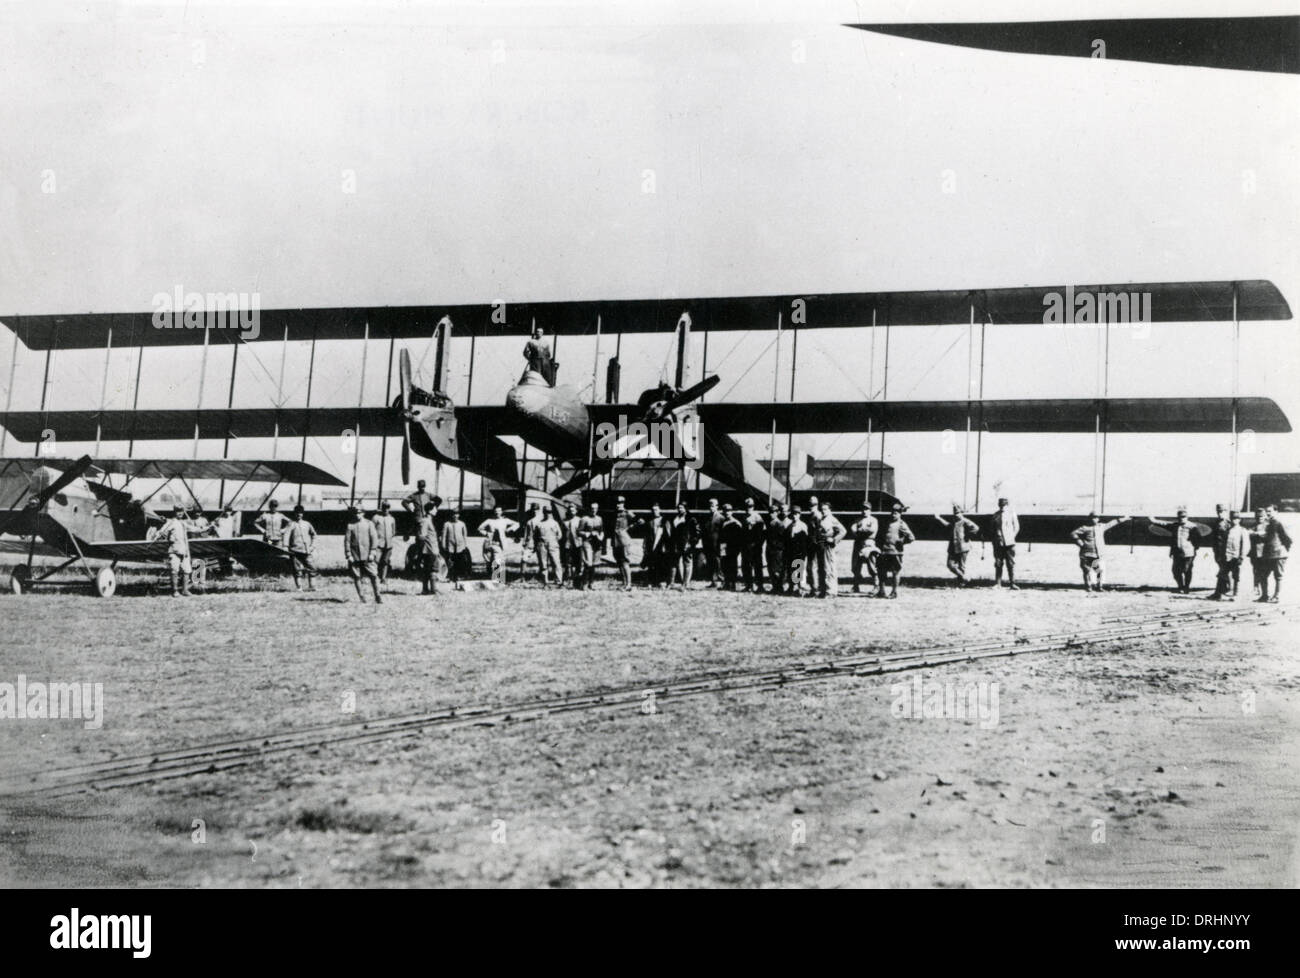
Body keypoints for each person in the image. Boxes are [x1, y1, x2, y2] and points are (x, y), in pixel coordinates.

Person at [1149, 508, 1209, 593]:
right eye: (1180, 517)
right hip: (1177, 552)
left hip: (1189, 553)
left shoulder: (1192, 527)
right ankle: (1180, 586)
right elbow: (1164, 524)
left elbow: (1199, 539)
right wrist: (1153, 520)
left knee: (1187, 570)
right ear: (1178, 518)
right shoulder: (1175, 526)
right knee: (1175, 571)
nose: (1182, 519)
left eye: (1184, 517)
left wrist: (1194, 548)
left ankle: (1186, 588)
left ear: (1187, 517)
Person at [1069, 512, 1131, 592]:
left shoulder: (1101, 526)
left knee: (1098, 570)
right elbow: (1073, 533)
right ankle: (1088, 587)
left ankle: (1099, 586)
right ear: (1090, 518)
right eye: (1093, 518)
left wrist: (1124, 518)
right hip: (1086, 553)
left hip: (1097, 554)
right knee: (1086, 571)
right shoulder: (1084, 528)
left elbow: (1112, 523)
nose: (1095, 519)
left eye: (1097, 518)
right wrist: (1079, 542)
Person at [148, 505, 193, 596]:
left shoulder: (184, 523)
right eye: (178, 511)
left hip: (184, 551)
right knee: (174, 570)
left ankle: (185, 590)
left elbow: (193, 529)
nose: (180, 513)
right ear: (175, 512)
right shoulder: (171, 522)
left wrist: (207, 528)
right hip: (174, 551)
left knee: (187, 570)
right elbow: (162, 530)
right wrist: (156, 536)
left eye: (181, 511)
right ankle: (175, 591)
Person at [344, 505, 383, 603]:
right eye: (356, 513)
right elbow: (347, 541)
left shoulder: (369, 524)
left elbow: (374, 539)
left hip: (368, 556)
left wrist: (373, 552)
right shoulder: (350, 525)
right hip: (355, 555)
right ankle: (362, 598)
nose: (358, 515)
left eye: (360, 513)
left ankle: (378, 596)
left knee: (374, 575)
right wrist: (349, 555)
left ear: (363, 513)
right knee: (357, 576)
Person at [875, 504, 915, 598]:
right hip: (884, 551)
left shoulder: (901, 524)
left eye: (896, 513)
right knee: (881, 571)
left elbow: (911, 537)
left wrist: (901, 542)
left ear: (900, 514)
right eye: (892, 513)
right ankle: (882, 591)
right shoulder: (887, 522)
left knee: (895, 572)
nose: (893, 515)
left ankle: (894, 592)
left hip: (895, 552)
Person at [935, 506, 979, 586]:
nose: (957, 515)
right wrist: (938, 518)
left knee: (961, 566)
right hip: (953, 547)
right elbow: (947, 525)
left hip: (963, 546)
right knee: (950, 564)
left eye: (958, 513)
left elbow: (976, 528)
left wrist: (967, 536)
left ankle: (961, 583)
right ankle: (964, 577)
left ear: (962, 513)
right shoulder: (954, 522)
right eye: (955, 513)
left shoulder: (965, 521)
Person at [1256, 504, 1292, 603]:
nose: (1268, 513)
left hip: (1278, 555)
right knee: (1263, 575)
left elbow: (1288, 538)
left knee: (1278, 576)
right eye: (1267, 511)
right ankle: (1264, 596)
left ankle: (1276, 596)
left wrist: (1283, 550)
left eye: (1270, 511)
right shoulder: (1268, 523)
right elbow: (1269, 537)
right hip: (1268, 555)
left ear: (1276, 511)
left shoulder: (1279, 522)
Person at [813, 501, 846, 598]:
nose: (823, 511)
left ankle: (831, 591)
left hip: (828, 546)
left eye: (825, 509)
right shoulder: (820, 519)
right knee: (821, 568)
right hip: (820, 545)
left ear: (830, 510)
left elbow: (843, 531)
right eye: (822, 509)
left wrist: (834, 540)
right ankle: (823, 590)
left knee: (829, 568)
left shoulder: (832, 519)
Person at [478, 506, 518, 584]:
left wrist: (509, 529)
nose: (497, 513)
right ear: (493, 512)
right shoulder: (489, 521)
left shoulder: (505, 520)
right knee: (489, 561)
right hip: (489, 543)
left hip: (499, 544)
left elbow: (517, 524)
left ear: (502, 512)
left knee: (498, 560)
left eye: (499, 511)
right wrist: (487, 533)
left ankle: (499, 580)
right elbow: (479, 528)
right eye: (496, 511)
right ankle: (491, 579)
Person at [1218, 510, 1251, 601]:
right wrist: (1222, 555)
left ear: (1239, 520)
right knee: (1223, 574)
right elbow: (1223, 544)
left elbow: (1246, 545)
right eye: (1233, 519)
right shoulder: (1227, 531)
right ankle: (1223, 592)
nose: (1234, 521)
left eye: (1236, 519)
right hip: (1227, 557)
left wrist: (1242, 556)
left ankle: (1236, 594)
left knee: (1236, 576)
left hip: (1236, 557)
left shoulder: (1242, 531)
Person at [666, 502, 700, 590]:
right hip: (675, 544)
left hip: (686, 544)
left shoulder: (691, 519)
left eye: (681, 508)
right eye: (678, 508)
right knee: (673, 563)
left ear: (685, 508)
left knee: (687, 563)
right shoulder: (675, 518)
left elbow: (697, 532)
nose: (679, 509)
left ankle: (685, 584)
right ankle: (671, 582)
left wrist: (692, 543)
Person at [284, 505, 318, 591]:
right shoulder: (291, 524)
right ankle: (299, 588)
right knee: (297, 570)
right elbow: (286, 535)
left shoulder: (307, 524)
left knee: (312, 568)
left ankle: (312, 587)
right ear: (294, 514)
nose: (299, 515)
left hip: (306, 550)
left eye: (301, 513)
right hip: (295, 550)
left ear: (303, 514)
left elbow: (314, 534)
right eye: (297, 513)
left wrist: (312, 546)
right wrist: (286, 546)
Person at [413, 501, 442, 594]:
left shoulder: (428, 520)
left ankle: (427, 590)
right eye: (434, 508)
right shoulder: (426, 521)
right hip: (429, 550)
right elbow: (422, 536)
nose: (436, 510)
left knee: (428, 569)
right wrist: (420, 550)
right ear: (430, 510)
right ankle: (432, 590)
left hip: (431, 549)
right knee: (431, 569)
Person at [849, 504, 880, 592]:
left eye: (867, 509)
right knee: (856, 566)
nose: (865, 511)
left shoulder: (873, 520)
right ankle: (855, 586)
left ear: (870, 510)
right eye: (863, 509)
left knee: (872, 566)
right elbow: (853, 529)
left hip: (868, 543)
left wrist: (860, 530)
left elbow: (871, 531)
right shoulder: (858, 520)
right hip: (858, 543)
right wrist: (863, 530)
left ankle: (876, 585)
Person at [576, 501, 605, 590]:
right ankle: (584, 583)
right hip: (587, 542)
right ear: (589, 509)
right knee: (588, 563)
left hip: (596, 543)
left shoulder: (599, 519)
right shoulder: (584, 519)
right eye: (592, 508)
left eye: (595, 508)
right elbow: (578, 531)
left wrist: (600, 537)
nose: (594, 510)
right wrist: (588, 534)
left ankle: (591, 583)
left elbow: (602, 530)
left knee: (594, 564)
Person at [439, 509, 473, 586]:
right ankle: (451, 577)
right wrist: (443, 545)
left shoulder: (462, 524)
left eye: (457, 514)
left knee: (459, 562)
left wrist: (464, 545)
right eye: (454, 514)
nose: (455, 516)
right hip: (450, 546)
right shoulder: (447, 524)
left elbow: (464, 535)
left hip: (460, 546)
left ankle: (458, 576)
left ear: (459, 515)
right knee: (450, 562)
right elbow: (444, 536)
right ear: (451, 515)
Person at [534, 507, 565, 587]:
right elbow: (535, 536)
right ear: (543, 512)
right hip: (542, 544)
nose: (548, 514)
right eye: (546, 512)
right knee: (543, 564)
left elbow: (560, 535)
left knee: (556, 563)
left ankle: (559, 582)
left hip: (553, 544)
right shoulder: (539, 523)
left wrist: (554, 540)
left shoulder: (554, 523)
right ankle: (545, 582)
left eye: (549, 512)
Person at [741, 499, 766, 593]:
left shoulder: (758, 517)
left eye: (750, 506)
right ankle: (749, 585)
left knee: (757, 566)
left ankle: (760, 586)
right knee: (746, 566)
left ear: (753, 507)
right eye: (747, 507)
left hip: (755, 546)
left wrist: (759, 544)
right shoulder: (744, 517)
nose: (748, 509)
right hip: (746, 546)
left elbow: (763, 533)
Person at [718, 503, 745, 591]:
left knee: (732, 565)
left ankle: (733, 584)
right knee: (724, 565)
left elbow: (740, 537)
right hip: (724, 546)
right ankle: (726, 583)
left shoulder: (736, 523)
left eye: (729, 511)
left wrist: (737, 549)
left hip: (733, 547)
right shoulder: (723, 522)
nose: (727, 513)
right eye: (725, 511)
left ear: (732, 512)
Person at [786, 503, 811, 596]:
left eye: (796, 514)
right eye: (793, 513)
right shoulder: (789, 526)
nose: (794, 516)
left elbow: (805, 540)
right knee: (792, 569)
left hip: (800, 552)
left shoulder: (803, 526)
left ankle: (801, 588)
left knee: (800, 569)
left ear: (799, 515)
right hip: (792, 551)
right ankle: (793, 587)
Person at [1209, 504, 1233, 599]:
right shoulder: (1216, 523)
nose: (1220, 514)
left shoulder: (1228, 524)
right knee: (1223, 571)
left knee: (1223, 571)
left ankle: (1221, 591)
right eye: (1218, 512)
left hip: (1225, 552)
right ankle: (1222, 590)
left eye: (1222, 512)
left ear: (1226, 512)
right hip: (1218, 551)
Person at [372, 500, 398, 583]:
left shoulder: (392, 519)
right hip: (378, 544)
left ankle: (383, 578)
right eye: (384, 507)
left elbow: (393, 531)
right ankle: (374, 577)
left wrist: (389, 538)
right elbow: (371, 530)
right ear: (381, 508)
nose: (386, 509)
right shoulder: (376, 517)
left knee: (385, 561)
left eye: (387, 507)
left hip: (388, 544)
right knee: (376, 561)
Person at [765, 504, 789, 594]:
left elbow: (782, 539)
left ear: (777, 513)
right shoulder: (770, 523)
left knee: (777, 570)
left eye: (774, 512)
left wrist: (777, 547)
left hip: (777, 550)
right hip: (769, 549)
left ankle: (779, 587)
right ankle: (775, 587)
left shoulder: (779, 524)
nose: (772, 514)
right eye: (770, 512)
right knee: (770, 568)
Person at [1248, 507, 1269, 599]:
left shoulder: (1268, 525)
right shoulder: (1253, 525)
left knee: (1264, 572)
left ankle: (1265, 592)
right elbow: (1248, 533)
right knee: (1255, 570)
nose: (1259, 518)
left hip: (1265, 553)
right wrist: (1256, 533)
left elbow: (1267, 534)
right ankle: (1256, 587)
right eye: (1258, 517)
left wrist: (1256, 533)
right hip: (1254, 553)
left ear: (1265, 517)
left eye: (1261, 517)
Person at [704, 498, 724, 588]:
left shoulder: (721, 518)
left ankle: (723, 580)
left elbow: (724, 533)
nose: (711, 508)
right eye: (709, 506)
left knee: (719, 563)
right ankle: (713, 581)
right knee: (711, 562)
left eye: (712, 506)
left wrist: (723, 546)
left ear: (717, 506)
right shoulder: (707, 518)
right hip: (709, 545)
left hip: (719, 545)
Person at [804, 495, 822, 594]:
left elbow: (819, 531)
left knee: (813, 566)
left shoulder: (817, 516)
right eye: (810, 505)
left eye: (813, 505)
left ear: (817, 505)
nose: (811, 507)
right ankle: (813, 587)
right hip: (811, 544)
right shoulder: (812, 516)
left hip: (815, 545)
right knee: (810, 567)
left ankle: (815, 588)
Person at [561, 503, 582, 585]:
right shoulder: (564, 521)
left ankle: (577, 581)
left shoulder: (580, 520)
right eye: (570, 511)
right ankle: (567, 579)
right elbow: (562, 533)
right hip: (567, 544)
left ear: (576, 511)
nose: (571, 512)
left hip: (577, 544)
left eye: (573, 510)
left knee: (578, 564)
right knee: (567, 563)